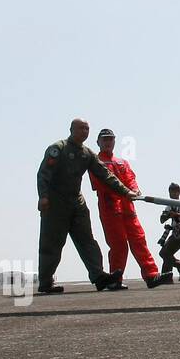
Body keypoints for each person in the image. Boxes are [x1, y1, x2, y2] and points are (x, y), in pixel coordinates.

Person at [36, 118, 134, 294]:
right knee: (52, 243)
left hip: (76, 202)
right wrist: (43, 197)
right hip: (55, 202)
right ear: (71, 129)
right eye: (81, 128)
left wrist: (126, 192)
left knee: (87, 241)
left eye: (87, 129)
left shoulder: (87, 154)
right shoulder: (58, 149)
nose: (84, 131)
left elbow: (105, 175)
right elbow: (43, 174)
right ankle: (45, 282)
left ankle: (98, 276)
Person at [91, 128, 170, 288]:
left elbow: (130, 178)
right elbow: (100, 184)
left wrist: (135, 190)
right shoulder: (95, 162)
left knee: (139, 240)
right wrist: (126, 192)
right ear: (98, 142)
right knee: (118, 243)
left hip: (128, 207)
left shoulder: (122, 162)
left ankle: (151, 275)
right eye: (104, 139)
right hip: (110, 208)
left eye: (110, 139)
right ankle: (115, 280)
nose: (108, 142)